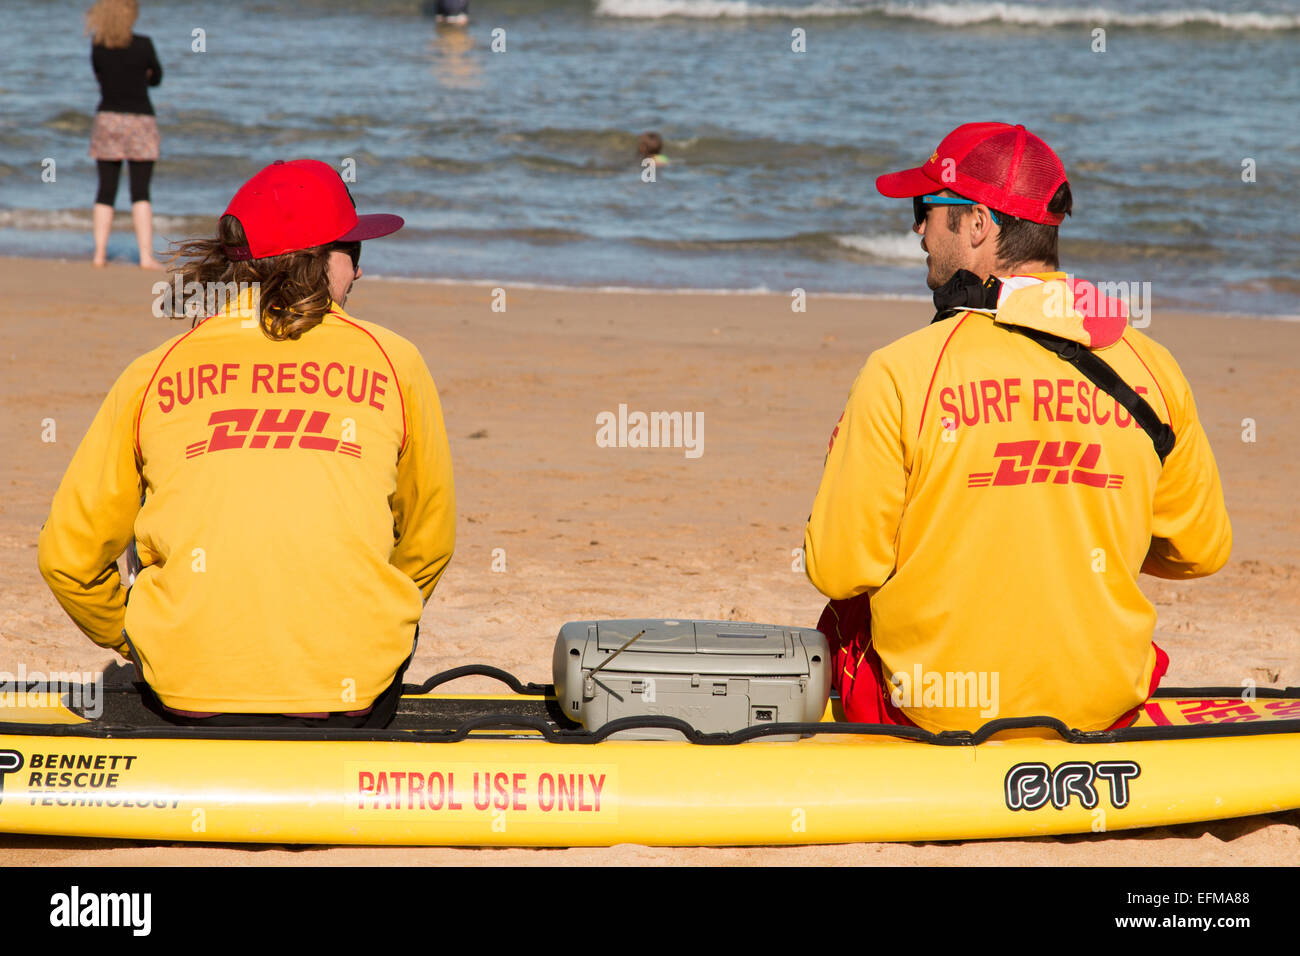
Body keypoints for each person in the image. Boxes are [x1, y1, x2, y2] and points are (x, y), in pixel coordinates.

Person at [803, 122, 1231, 733]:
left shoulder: (901, 371)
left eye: (925, 209)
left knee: (845, 616)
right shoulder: (1152, 366)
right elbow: (1200, 550)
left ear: (977, 224)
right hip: (1102, 705)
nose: (919, 230)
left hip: (938, 710)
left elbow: (839, 569)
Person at [38, 159, 456, 728]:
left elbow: (67, 557)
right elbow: (430, 541)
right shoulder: (396, 361)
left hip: (188, 690)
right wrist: (375, 617)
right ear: (315, 259)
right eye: (352, 251)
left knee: (163, 516)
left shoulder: (153, 371)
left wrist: (136, 638)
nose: (359, 271)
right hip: (349, 693)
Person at [86, 0, 164, 269]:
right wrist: (143, 76)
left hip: (108, 119)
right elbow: (157, 78)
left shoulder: (98, 45)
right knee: (140, 191)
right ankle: (145, 256)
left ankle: (99, 255)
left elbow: (100, 77)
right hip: (140, 120)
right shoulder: (144, 44)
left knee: (105, 189)